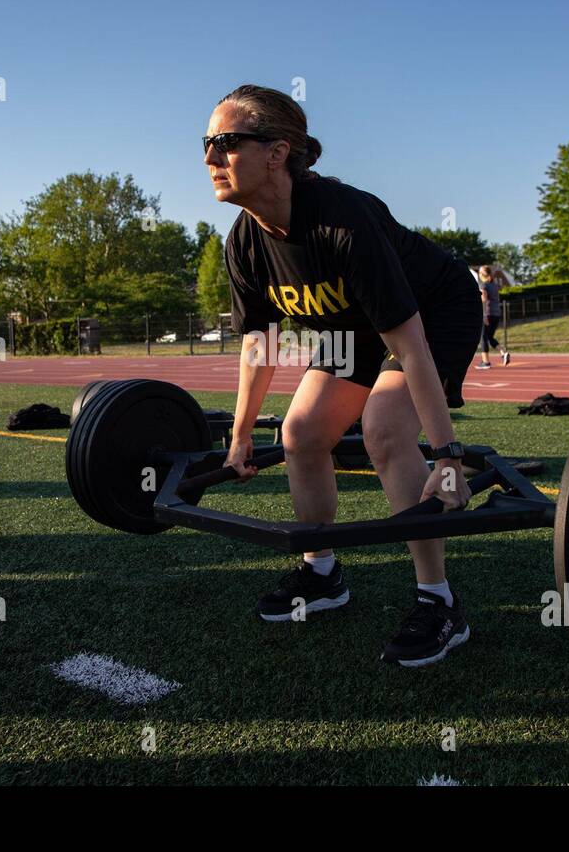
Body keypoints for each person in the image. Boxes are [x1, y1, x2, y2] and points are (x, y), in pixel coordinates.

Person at [205, 84, 482, 667]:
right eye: (205, 144)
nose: (209, 158)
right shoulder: (244, 242)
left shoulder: (344, 218)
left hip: (432, 310)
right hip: (351, 327)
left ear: (277, 153)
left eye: (225, 143)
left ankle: (439, 601)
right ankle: (322, 574)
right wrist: (237, 437)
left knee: (383, 427)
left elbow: (408, 343)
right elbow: (259, 346)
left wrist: (450, 456)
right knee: (301, 434)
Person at [476, 265, 510, 368]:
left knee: (483, 337)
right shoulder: (495, 285)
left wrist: (484, 315)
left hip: (488, 313)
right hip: (496, 313)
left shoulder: (484, 285)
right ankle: (503, 352)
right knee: (490, 337)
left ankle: (485, 362)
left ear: (482, 275)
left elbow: (484, 299)